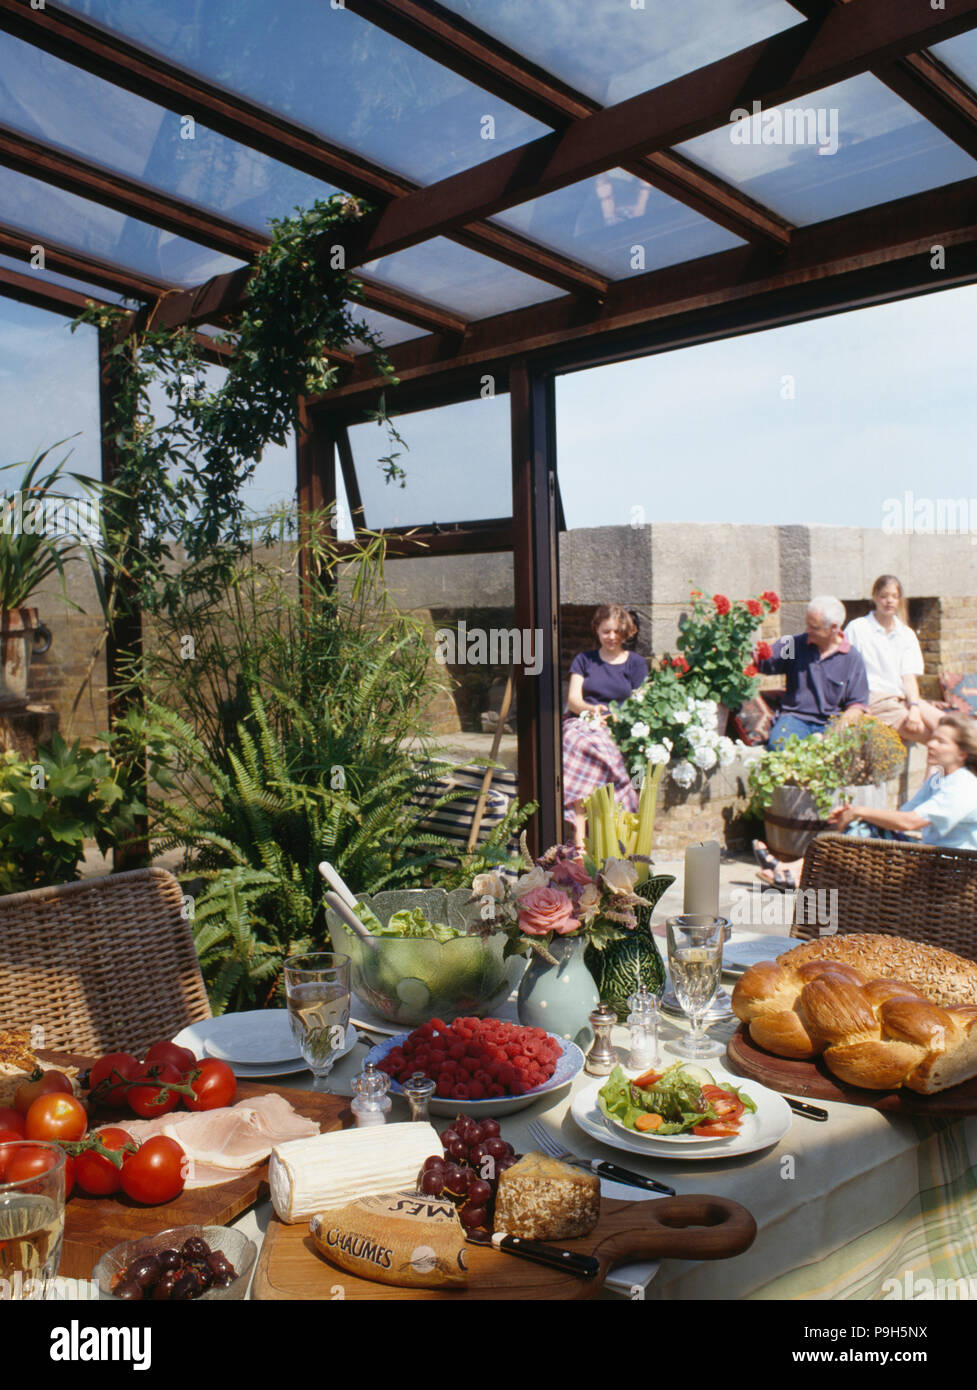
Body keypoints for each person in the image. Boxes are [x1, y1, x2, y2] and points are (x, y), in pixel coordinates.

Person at [755, 712, 977, 886]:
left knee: (861, 825)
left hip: (954, 868)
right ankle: (796, 869)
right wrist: (858, 814)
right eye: (933, 738)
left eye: (941, 742)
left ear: (962, 754)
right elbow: (902, 816)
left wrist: (861, 811)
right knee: (862, 825)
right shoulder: (940, 778)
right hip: (934, 857)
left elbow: (911, 822)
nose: (931, 744)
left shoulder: (964, 785)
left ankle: (796, 872)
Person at [563, 604, 648, 846]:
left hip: (619, 725)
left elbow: (641, 702)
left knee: (596, 744)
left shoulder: (636, 663)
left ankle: (612, 836)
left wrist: (617, 718)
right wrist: (591, 711)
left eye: (617, 632)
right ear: (596, 631)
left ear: (626, 632)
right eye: (606, 631)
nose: (612, 637)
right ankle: (579, 838)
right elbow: (573, 700)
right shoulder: (584, 660)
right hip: (583, 722)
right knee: (576, 741)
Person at [757, 596, 869, 750]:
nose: (807, 630)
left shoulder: (852, 658)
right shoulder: (794, 645)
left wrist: (835, 733)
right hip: (794, 718)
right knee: (779, 747)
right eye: (807, 624)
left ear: (834, 627)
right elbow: (763, 661)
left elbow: (857, 705)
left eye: (814, 627)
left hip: (832, 721)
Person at [844, 575, 942, 744]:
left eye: (894, 597)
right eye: (883, 596)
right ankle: (940, 771)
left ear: (899, 600)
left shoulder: (906, 634)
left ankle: (946, 770)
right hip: (875, 698)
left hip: (901, 698)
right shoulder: (857, 629)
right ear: (874, 597)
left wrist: (914, 708)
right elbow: (844, 671)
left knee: (946, 725)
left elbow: (908, 677)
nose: (889, 601)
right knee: (933, 736)